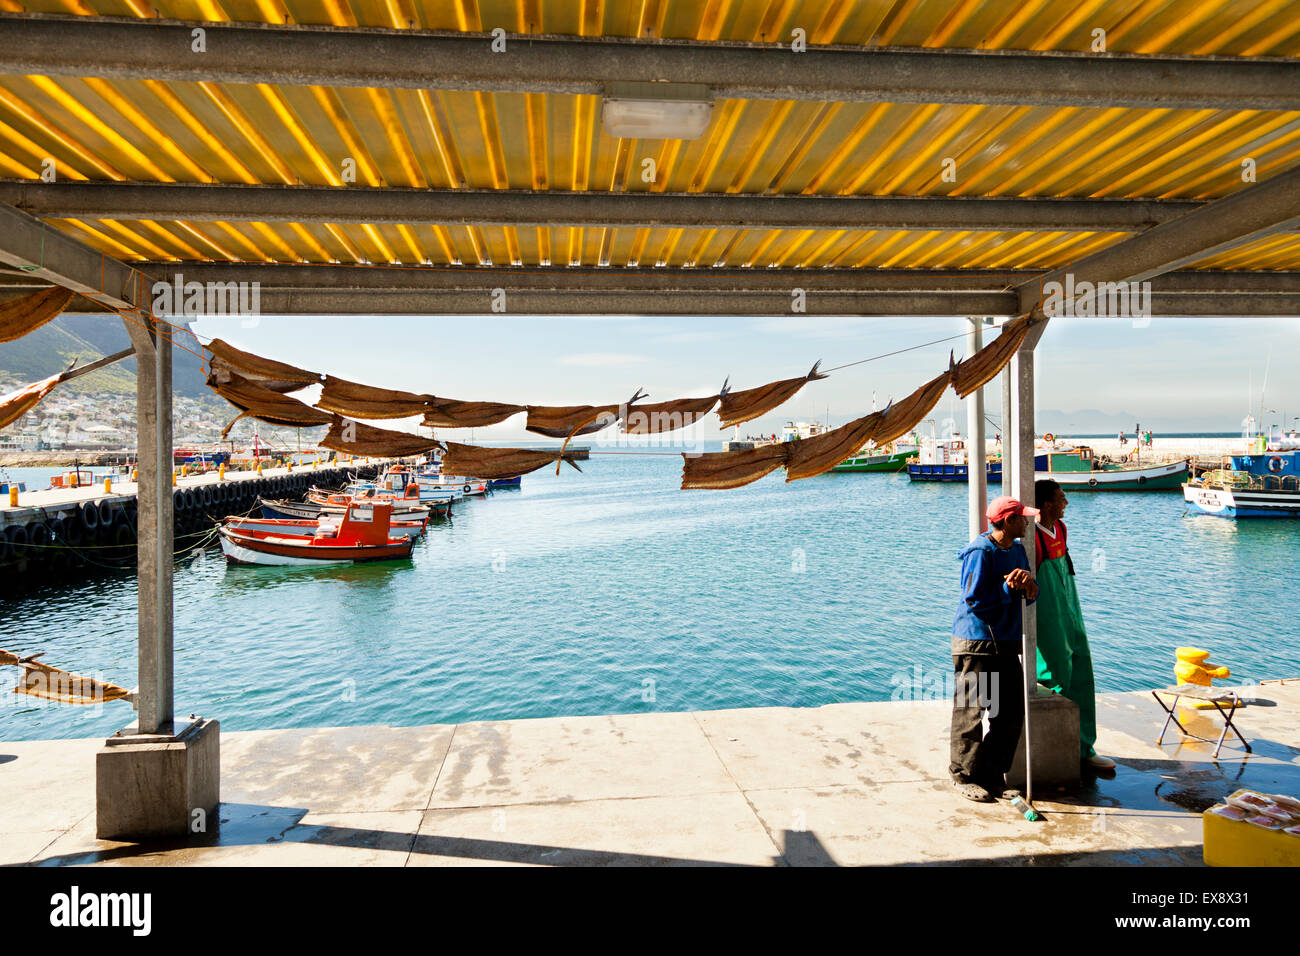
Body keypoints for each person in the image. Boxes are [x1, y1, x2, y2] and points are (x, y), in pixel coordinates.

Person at [950, 496, 1039, 802]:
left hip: (1005, 643)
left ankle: (990, 772)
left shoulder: (1017, 551)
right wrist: (1006, 589)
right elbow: (973, 599)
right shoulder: (980, 552)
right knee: (971, 711)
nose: (1027, 522)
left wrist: (1029, 587)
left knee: (1010, 711)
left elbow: (1028, 593)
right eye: (1022, 518)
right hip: (977, 644)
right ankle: (963, 775)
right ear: (1007, 522)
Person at [1033, 480, 1116, 772]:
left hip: (1071, 612)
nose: (1066, 503)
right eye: (1061, 498)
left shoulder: (1062, 530)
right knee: (1055, 679)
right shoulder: (1032, 538)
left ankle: (1084, 748)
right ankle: (1054, 749)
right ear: (1045, 505)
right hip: (1048, 621)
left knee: (1082, 675)